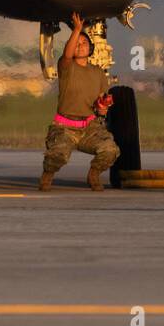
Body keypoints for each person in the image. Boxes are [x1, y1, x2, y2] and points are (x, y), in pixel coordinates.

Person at [39, 11, 121, 192]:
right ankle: (48, 174)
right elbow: (67, 54)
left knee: (110, 150)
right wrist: (77, 30)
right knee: (58, 155)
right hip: (64, 127)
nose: (80, 46)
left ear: (90, 48)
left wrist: (103, 107)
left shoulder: (98, 72)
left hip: (89, 128)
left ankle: (93, 174)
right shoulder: (67, 67)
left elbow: (102, 101)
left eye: (84, 43)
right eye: (77, 43)